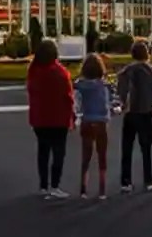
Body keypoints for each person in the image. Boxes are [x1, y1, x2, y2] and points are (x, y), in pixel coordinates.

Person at [26, 38, 74, 199]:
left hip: (39, 119)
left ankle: (43, 186)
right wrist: (72, 116)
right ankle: (55, 186)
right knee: (58, 153)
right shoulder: (60, 73)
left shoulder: (33, 71)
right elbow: (68, 97)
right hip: (58, 119)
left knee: (43, 152)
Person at [116, 40, 152, 193]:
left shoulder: (127, 71)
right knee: (146, 148)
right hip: (144, 112)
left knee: (127, 148)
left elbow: (120, 87)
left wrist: (123, 101)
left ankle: (126, 181)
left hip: (130, 113)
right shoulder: (150, 71)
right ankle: (148, 180)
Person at [74, 53, 112, 200]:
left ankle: (83, 189)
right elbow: (112, 102)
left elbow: (76, 102)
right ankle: (102, 190)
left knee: (86, 156)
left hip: (87, 121)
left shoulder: (80, 85)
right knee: (102, 156)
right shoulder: (105, 85)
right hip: (102, 121)